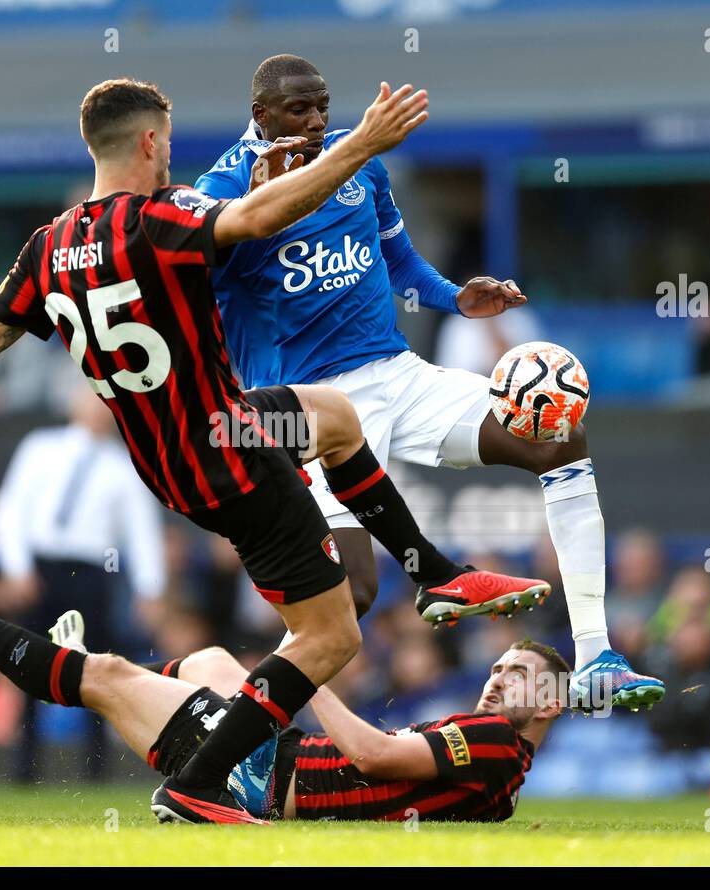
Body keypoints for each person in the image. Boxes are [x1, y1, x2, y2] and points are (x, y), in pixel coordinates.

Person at [0, 77, 546, 824]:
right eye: (168, 145)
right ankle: (197, 785)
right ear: (149, 143)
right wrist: (364, 145)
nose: (172, 158)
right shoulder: (163, 217)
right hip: (225, 455)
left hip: (194, 444)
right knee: (331, 637)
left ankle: (433, 572)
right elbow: (257, 214)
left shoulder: (48, 247)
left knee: (334, 417)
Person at [194, 54, 664, 712]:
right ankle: (228, 724)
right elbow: (192, 299)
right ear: (260, 116)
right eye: (299, 109)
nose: (316, 120)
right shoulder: (222, 192)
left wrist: (453, 297)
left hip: (400, 376)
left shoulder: (360, 164)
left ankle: (595, 658)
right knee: (347, 600)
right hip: (313, 411)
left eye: (323, 105)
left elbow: (396, 259)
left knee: (558, 435)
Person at [0, 527, 565, 823]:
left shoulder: (496, 743)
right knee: (210, 663)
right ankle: (78, 664)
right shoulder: (502, 774)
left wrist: (305, 679)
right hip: (277, 760)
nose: (497, 680)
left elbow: (374, 754)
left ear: (552, 703)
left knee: (107, 677)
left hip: (264, 776)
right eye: (500, 667)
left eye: (519, 676)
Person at [0, 384, 168, 782]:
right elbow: (12, 509)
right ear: (74, 402)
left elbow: (141, 533)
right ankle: (25, 769)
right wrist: (17, 567)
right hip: (42, 571)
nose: (97, 410)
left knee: (96, 669)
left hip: (93, 575)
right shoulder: (40, 448)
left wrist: (151, 588)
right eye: (90, 399)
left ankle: (96, 770)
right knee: (29, 666)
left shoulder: (123, 467)